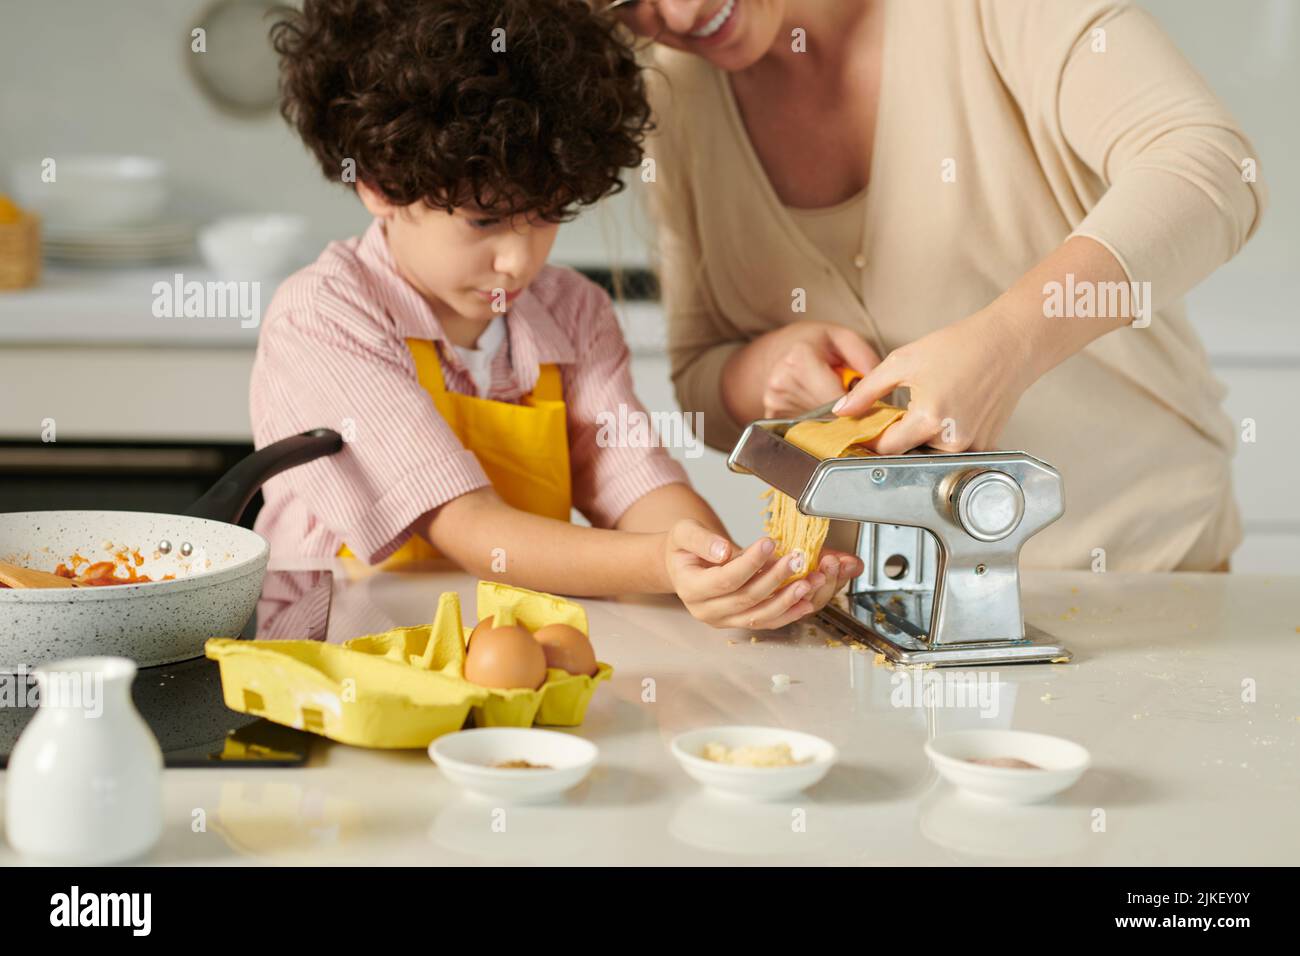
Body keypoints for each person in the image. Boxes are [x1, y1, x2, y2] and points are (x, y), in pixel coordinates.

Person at [250, 0, 862, 628]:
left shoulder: (572, 312)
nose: (518, 260)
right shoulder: (325, 317)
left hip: (508, 655)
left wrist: (729, 570)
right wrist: (661, 565)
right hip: (338, 659)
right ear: (377, 184)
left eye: (548, 215)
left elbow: (632, 479)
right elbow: (467, 526)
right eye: (483, 220)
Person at [614, 0, 1267, 571]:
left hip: (1138, 574)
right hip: (872, 611)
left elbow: (1210, 166)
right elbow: (700, 367)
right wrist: (767, 375)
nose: (679, 14)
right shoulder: (675, 94)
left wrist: (1007, 342)